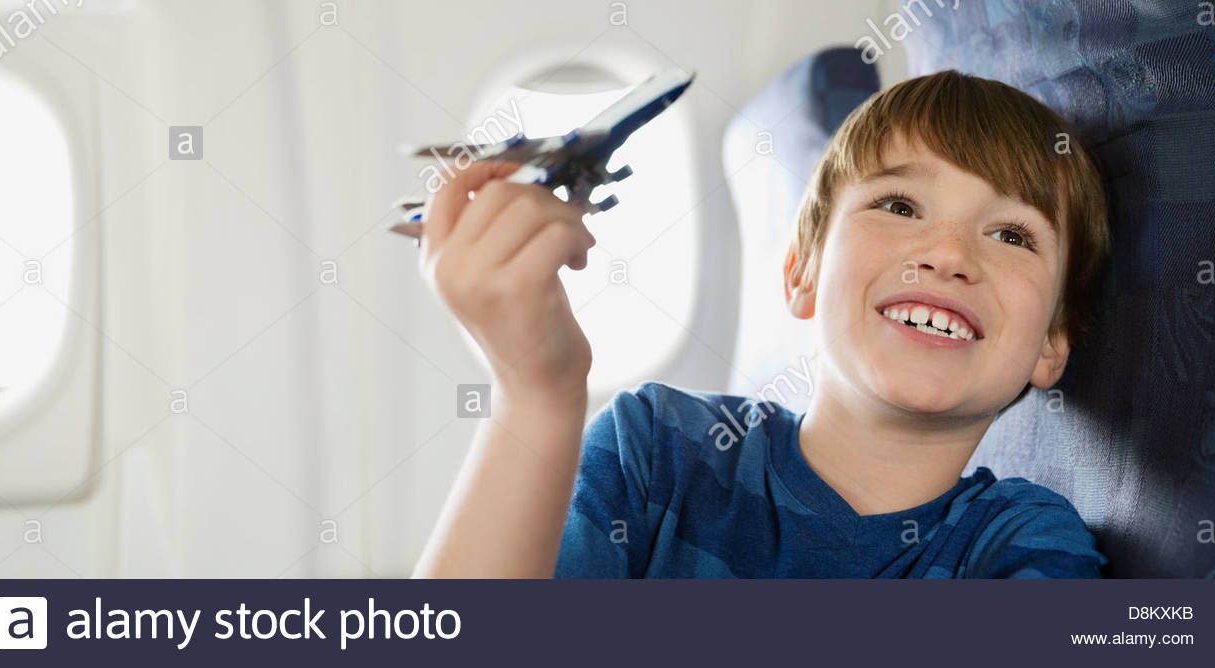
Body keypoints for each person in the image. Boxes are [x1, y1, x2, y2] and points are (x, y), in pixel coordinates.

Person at [411, 70, 1112, 578]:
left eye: (1014, 235)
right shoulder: (655, 453)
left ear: (1053, 342)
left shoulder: (1022, 546)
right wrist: (538, 393)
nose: (949, 255)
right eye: (899, 206)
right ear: (802, 274)